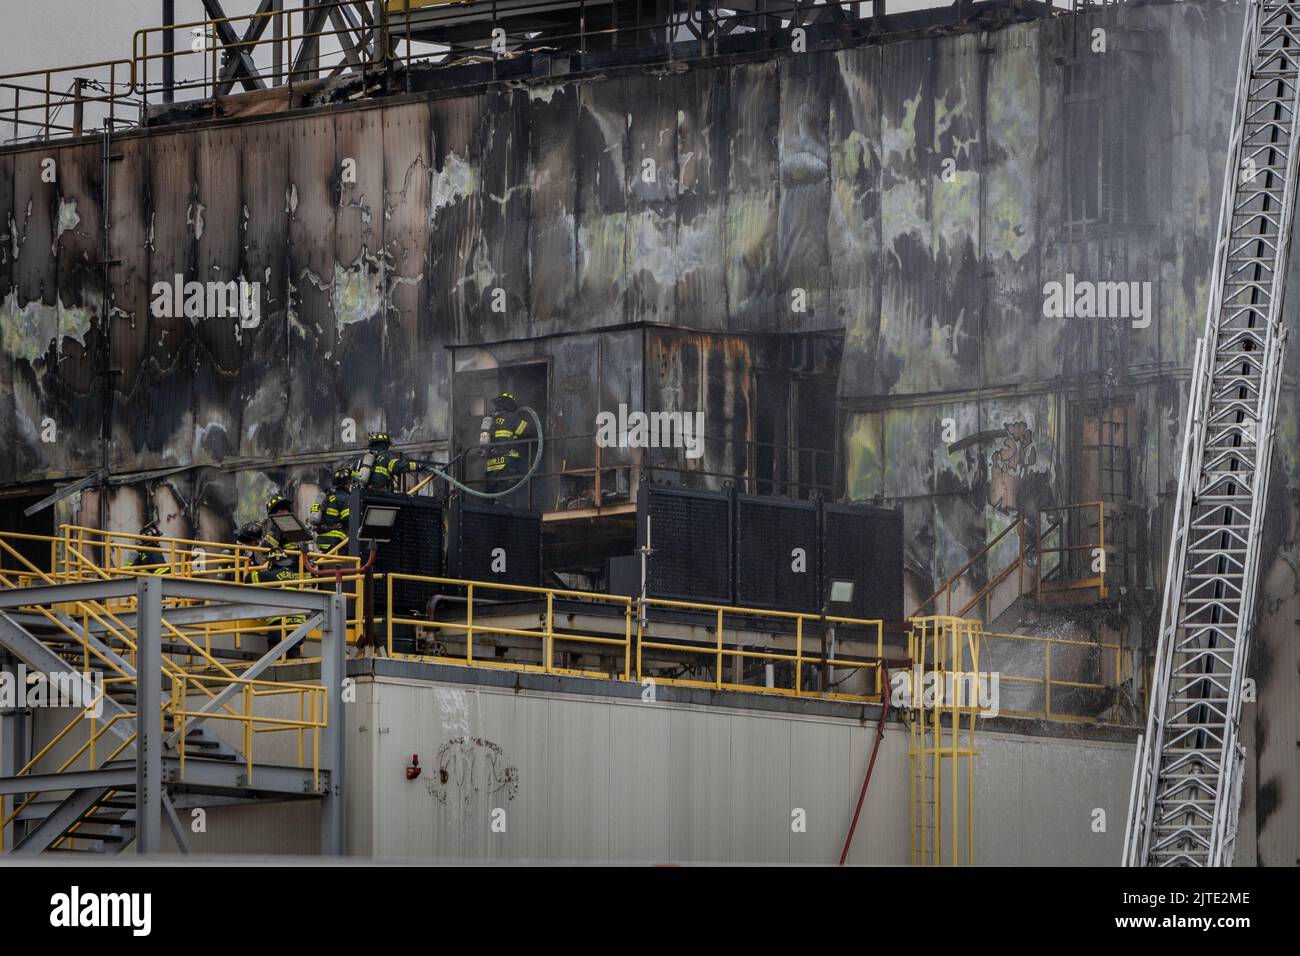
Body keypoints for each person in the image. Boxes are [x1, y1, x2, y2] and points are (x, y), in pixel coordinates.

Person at [250, 545, 305, 658]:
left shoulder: (268, 575)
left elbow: (248, 579)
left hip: (278, 626)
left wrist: (260, 567)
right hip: (299, 627)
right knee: (293, 661)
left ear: (270, 563)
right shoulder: (294, 577)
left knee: (273, 660)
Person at [484, 391, 536, 496]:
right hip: (508, 463)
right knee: (510, 494)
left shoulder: (490, 420)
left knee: (492, 493)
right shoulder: (512, 418)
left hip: (491, 465)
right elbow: (528, 431)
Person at [354, 431, 428, 493]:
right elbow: (399, 466)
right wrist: (418, 466)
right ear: (385, 445)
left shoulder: (361, 460)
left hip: (363, 495)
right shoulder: (386, 458)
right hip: (379, 495)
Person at [312, 467, 353, 553]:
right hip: (337, 540)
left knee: (325, 563)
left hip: (322, 541)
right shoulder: (344, 498)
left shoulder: (328, 497)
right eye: (349, 483)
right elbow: (349, 519)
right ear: (346, 484)